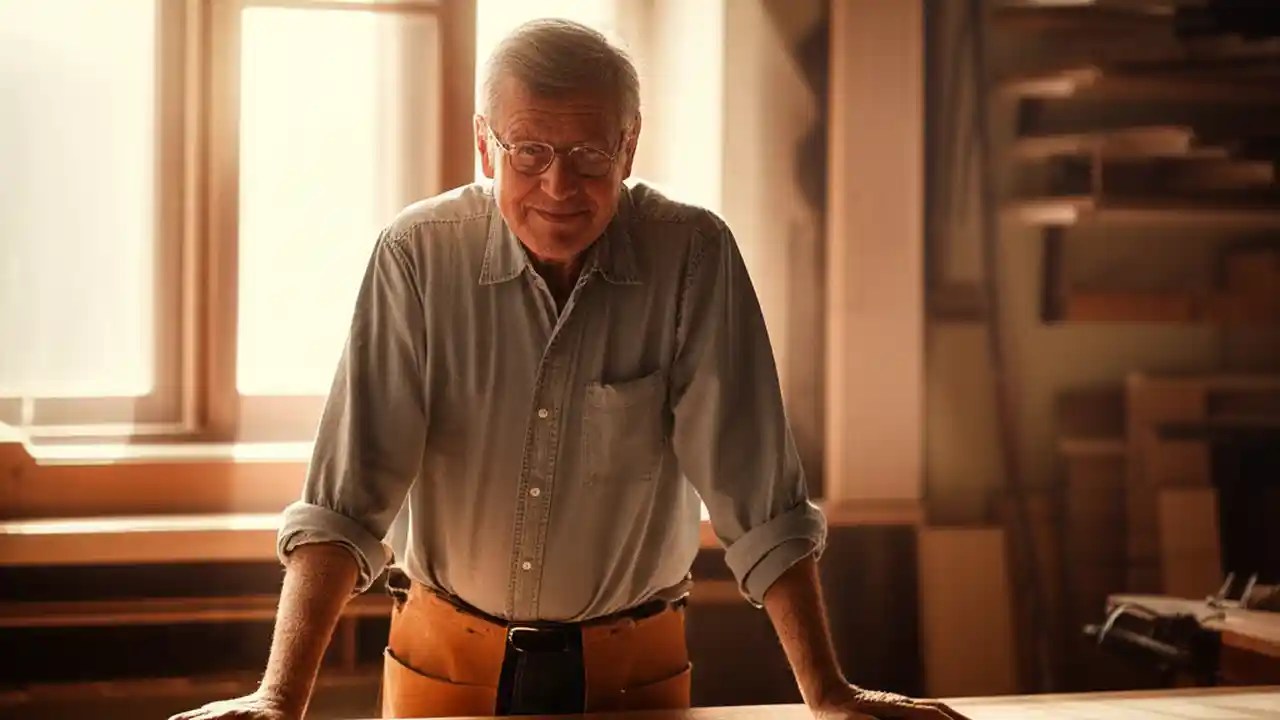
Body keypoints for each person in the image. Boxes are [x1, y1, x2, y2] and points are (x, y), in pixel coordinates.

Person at [172, 19, 969, 720]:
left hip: (633, 671)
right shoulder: (416, 256)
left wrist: (828, 693)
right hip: (443, 663)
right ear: (485, 144)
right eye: (529, 152)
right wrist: (278, 701)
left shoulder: (691, 255)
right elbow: (346, 501)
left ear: (630, 145)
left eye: (589, 154)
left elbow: (759, 495)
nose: (559, 185)